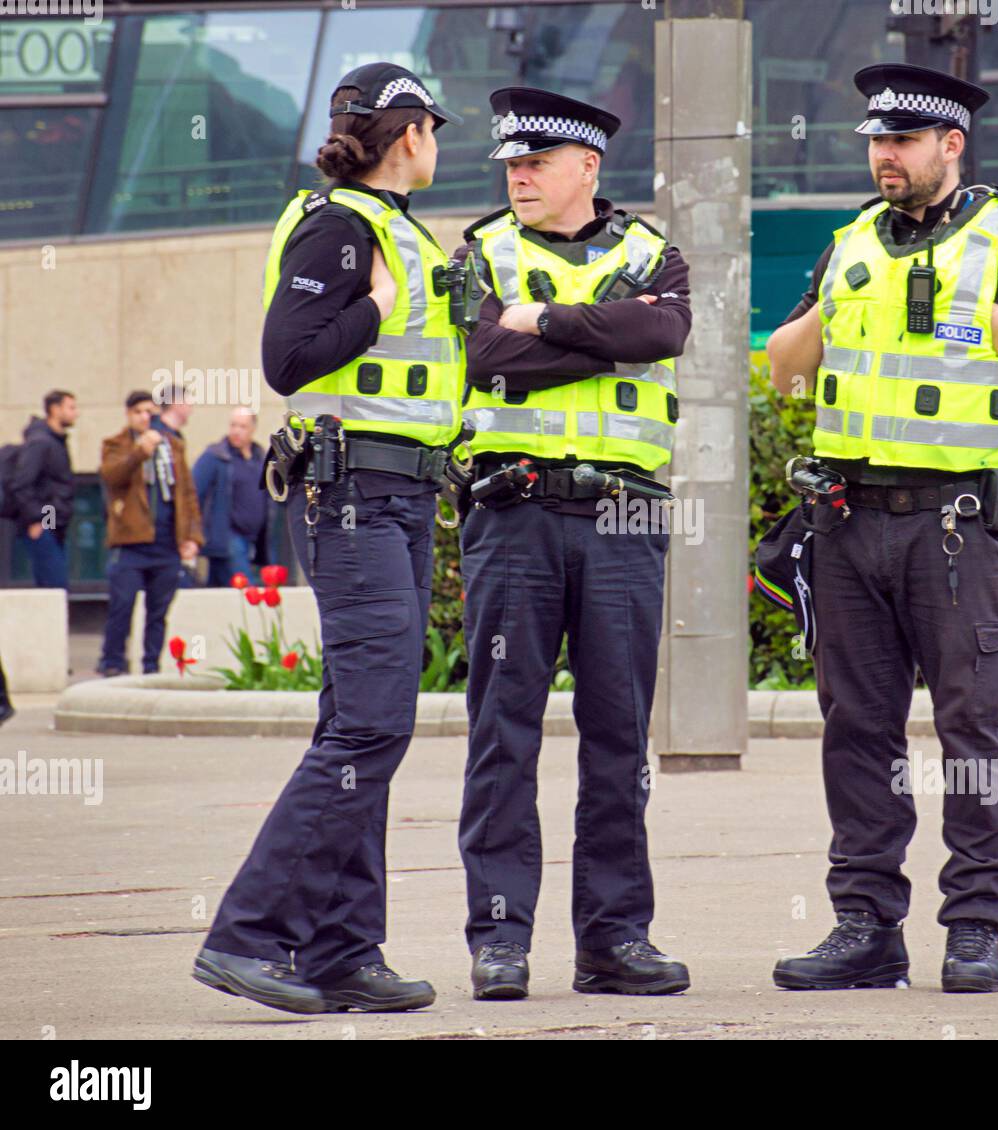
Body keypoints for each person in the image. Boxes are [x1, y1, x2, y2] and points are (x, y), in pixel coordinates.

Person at [765, 64, 998, 994]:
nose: (884, 158)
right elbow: (785, 369)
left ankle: (976, 925)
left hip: (959, 529)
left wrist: (970, 312)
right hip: (848, 521)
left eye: (902, 142)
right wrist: (836, 307)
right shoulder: (851, 241)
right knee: (856, 729)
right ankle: (865, 926)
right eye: (876, 141)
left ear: (951, 144)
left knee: (971, 729)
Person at [193, 63, 470, 1015]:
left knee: (358, 724)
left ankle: (343, 949)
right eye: (435, 128)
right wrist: (378, 307)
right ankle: (249, 936)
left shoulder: (393, 228)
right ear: (410, 137)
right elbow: (288, 357)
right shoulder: (340, 227)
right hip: (356, 497)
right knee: (371, 724)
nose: (440, 143)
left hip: (398, 495)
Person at [453, 87, 693, 1001]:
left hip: (626, 520)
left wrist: (547, 321)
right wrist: (607, 337)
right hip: (513, 515)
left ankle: (615, 939)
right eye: (512, 163)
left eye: (536, 162)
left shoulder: (651, 251)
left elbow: (664, 329)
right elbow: (480, 356)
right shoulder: (481, 254)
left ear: (586, 168)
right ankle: (501, 941)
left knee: (618, 738)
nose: (517, 174)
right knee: (501, 734)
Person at [98, 388, 202, 677]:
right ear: (128, 415)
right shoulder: (116, 444)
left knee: (158, 612)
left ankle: (151, 666)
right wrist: (138, 452)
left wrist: (192, 536)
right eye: (139, 412)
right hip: (130, 542)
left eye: (150, 413)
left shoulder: (172, 445)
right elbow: (111, 476)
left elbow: (187, 494)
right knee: (122, 607)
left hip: (167, 543)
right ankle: (112, 663)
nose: (145, 418)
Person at [193, 407, 271, 587]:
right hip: (227, 535)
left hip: (254, 538)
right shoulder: (215, 456)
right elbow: (194, 494)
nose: (236, 431)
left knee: (218, 588)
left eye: (243, 426)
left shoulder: (260, 457)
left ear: (253, 428)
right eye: (233, 425)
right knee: (246, 588)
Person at [13, 390, 78, 588]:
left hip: (55, 520)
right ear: (55, 409)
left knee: (54, 585)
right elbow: (22, 484)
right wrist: (37, 520)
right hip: (45, 519)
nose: (76, 413)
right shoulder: (40, 442)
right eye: (71, 408)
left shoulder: (55, 441)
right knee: (54, 585)